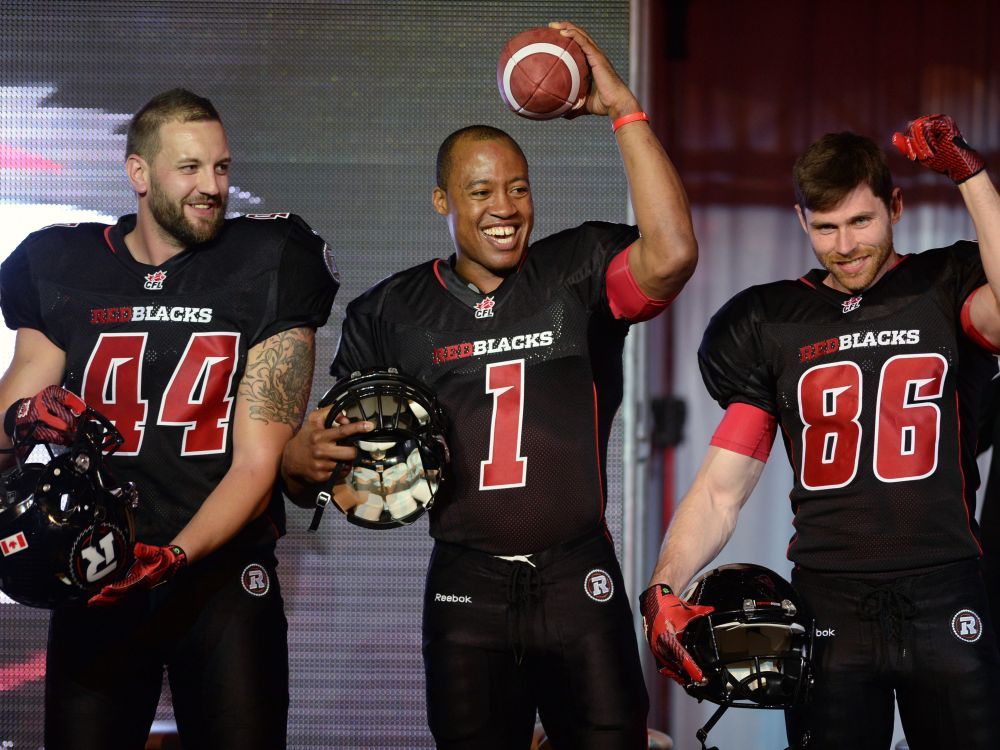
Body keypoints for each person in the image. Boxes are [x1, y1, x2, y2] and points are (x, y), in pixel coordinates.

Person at [281, 21, 697, 750]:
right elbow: (330, 467)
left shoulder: (577, 270)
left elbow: (672, 253)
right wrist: (296, 464)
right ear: (443, 201)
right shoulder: (391, 311)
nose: (505, 207)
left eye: (518, 188)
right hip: (465, 587)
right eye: (480, 191)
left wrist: (621, 107)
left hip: (578, 577)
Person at [639, 116, 1000, 749]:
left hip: (945, 589)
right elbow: (723, 488)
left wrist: (970, 176)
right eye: (826, 227)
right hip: (829, 600)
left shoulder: (947, 285)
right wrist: (663, 588)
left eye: (861, 222)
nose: (846, 245)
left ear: (895, 206)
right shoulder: (774, 321)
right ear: (802, 222)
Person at [0, 88, 340, 749]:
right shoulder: (62, 264)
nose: (212, 186)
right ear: (139, 173)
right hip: (95, 570)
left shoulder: (269, 260)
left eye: (221, 167)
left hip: (219, 579)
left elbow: (256, 463)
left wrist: (172, 555)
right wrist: (25, 420)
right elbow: (14, 408)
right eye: (190, 168)